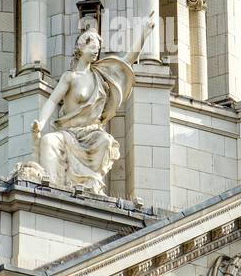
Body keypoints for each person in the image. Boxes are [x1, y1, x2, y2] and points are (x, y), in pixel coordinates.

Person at [32, 11, 157, 194]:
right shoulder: (70, 77)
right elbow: (52, 100)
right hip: (69, 134)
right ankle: (51, 191)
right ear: (81, 48)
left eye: (98, 47)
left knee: (105, 140)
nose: (96, 50)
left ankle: (92, 186)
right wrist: (41, 123)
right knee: (49, 141)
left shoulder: (101, 75)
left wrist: (143, 35)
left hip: (91, 134)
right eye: (93, 46)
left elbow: (127, 61)